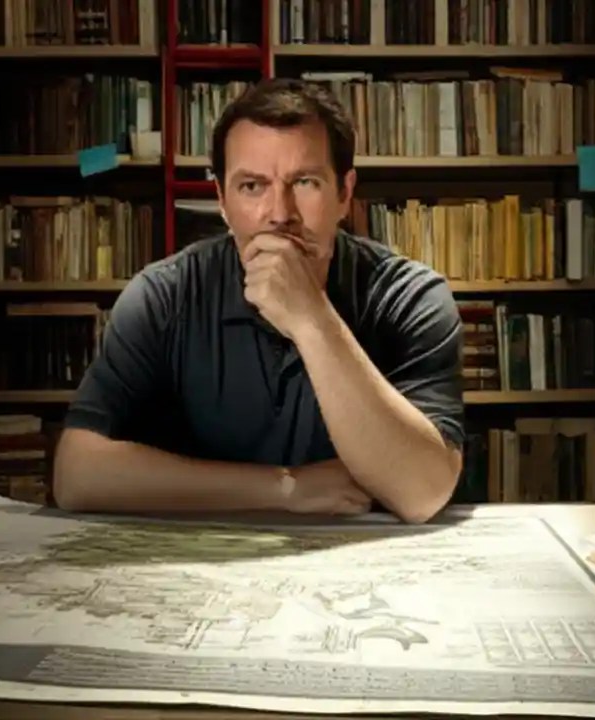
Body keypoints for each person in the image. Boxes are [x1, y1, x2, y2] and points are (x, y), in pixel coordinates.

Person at [51, 78, 464, 524]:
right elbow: (76, 475)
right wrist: (287, 487)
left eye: (305, 182)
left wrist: (312, 317)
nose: (280, 213)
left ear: (345, 193)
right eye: (252, 186)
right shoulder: (164, 295)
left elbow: (422, 494)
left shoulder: (411, 297)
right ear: (222, 202)